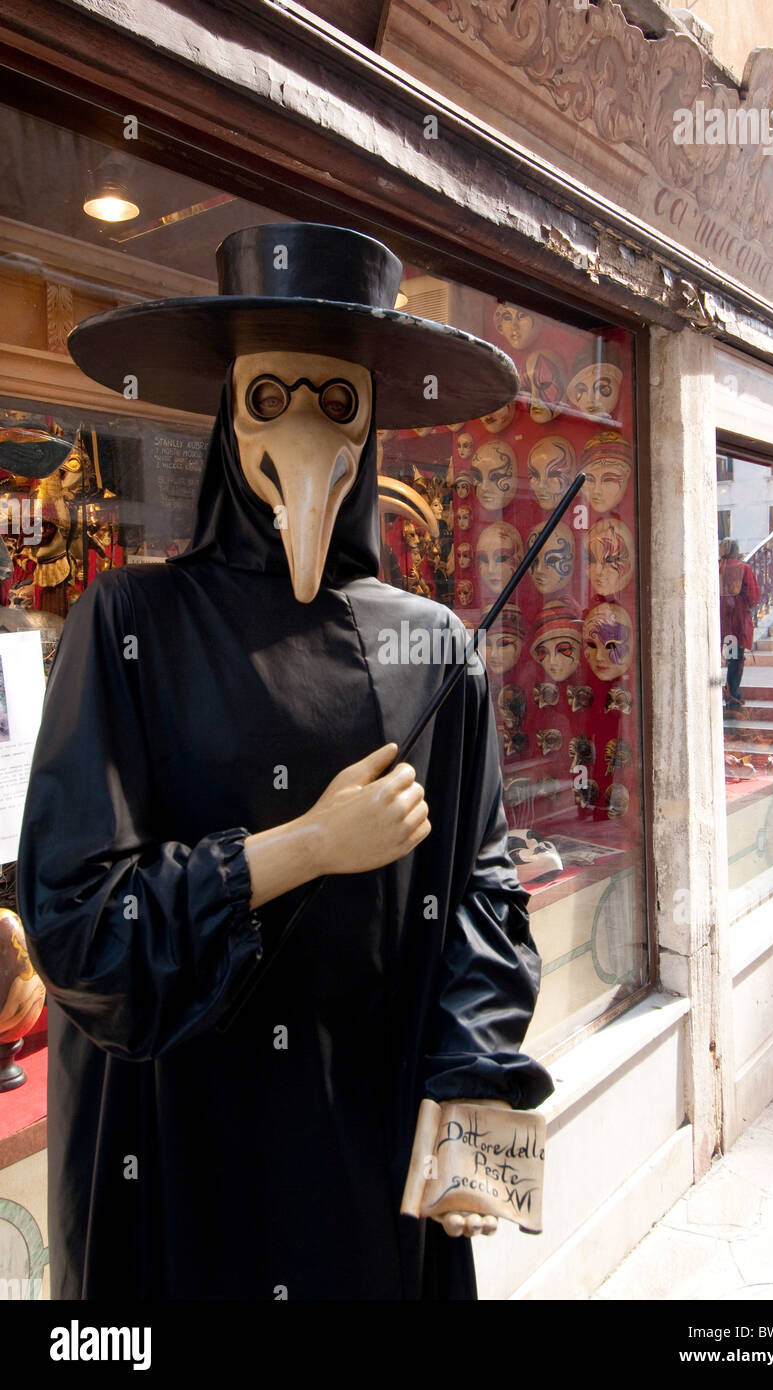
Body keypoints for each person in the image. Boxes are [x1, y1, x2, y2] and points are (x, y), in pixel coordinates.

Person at [17, 223, 553, 1301]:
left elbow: (486, 894)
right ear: (229, 415)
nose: (305, 430)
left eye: (333, 399)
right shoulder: (129, 622)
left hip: (369, 1147)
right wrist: (303, 847)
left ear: (370, 421)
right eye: (272, 398)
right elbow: (77, 918)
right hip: (184, 1153)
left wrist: (472, 1089)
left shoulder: (436, 646)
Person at [719, 537, 760, 711]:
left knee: (724, 657)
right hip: (737, 621)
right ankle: (733, 695)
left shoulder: (715, 567)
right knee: (735, 659)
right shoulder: (744, 568)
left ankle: (725, 693)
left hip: (719, 619)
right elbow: (753, 596)